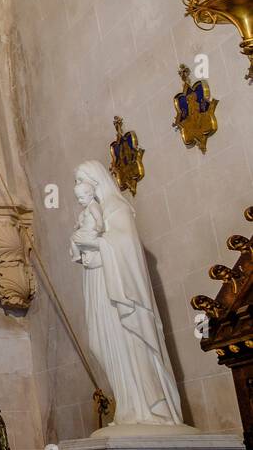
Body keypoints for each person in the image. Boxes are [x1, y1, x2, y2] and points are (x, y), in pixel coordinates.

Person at [71, 161, 184, 427]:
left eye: (79, 180)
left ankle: (148, 408)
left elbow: (126, 246)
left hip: (121, 290)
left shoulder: (116, 207)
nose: (77, 187)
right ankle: (128, 408)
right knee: (101, 343)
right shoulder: (90, 211)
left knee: (129, 342)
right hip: (100, 283)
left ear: (95, 181)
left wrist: (91, 242)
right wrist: (80, 246)